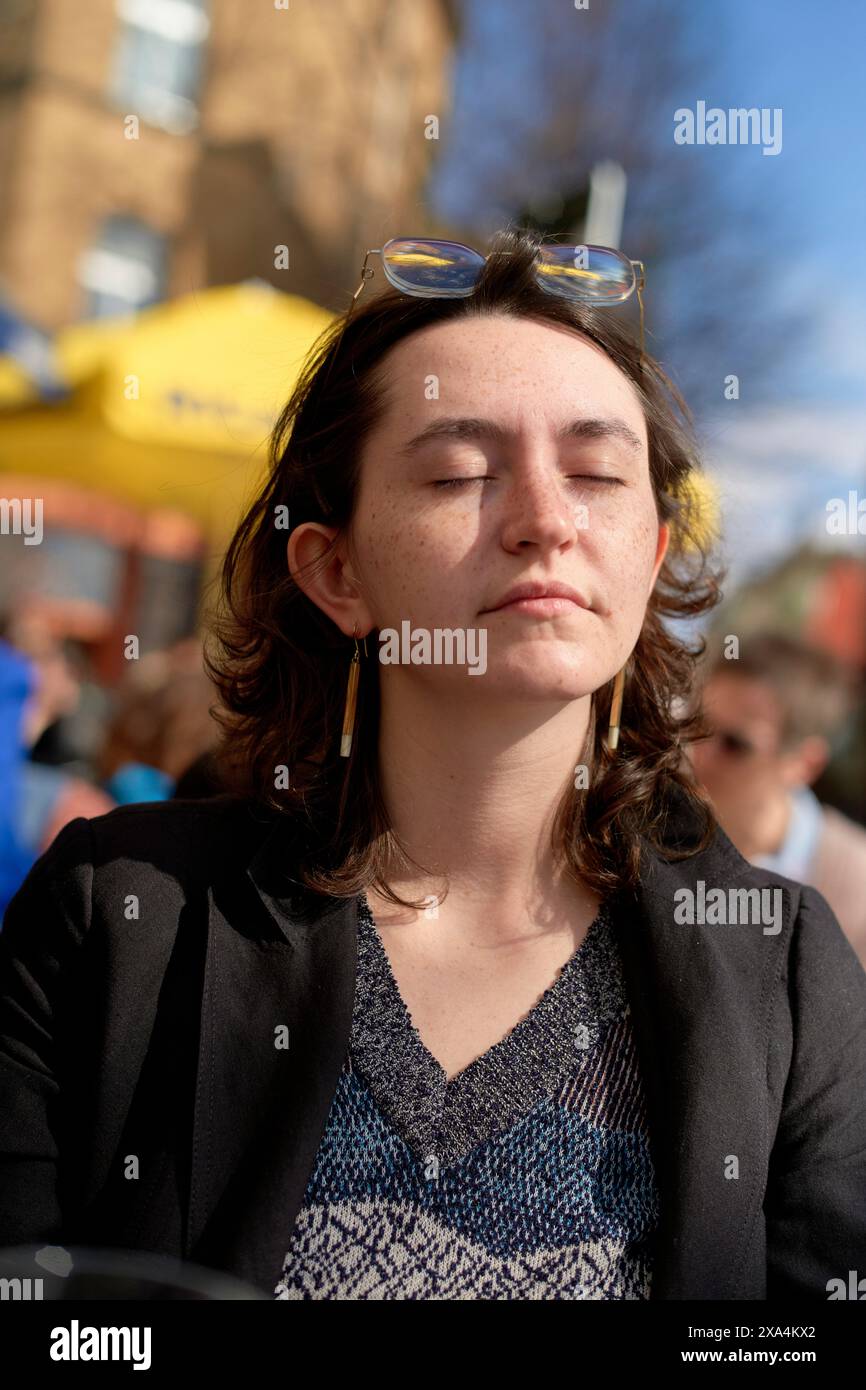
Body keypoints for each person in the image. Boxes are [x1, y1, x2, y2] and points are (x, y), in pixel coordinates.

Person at [1, 227, 865, 1302]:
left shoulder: (784, 975)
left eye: (596, 472)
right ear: (334, 569)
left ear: (648, 557)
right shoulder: (119, 920)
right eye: (460, 471)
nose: (546, 521)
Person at [689, 631, 866, 971]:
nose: (699, 755)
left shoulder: (855, 893)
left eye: (734, 744)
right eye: (697, 726)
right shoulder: (655, 835)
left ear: (804, 763)